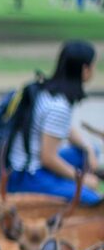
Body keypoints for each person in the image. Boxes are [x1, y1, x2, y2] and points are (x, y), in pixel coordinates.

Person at [6, 41, 100, 205]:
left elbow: (64, 128)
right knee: (93, 201)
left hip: (22, 167)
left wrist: (88, 148)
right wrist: (81, 179)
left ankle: (65, 183)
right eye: (93, 66)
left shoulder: (47, 89)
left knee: (89, 153)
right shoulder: (59, 106)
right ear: (85, 70)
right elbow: (48, 158)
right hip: (28, 175)